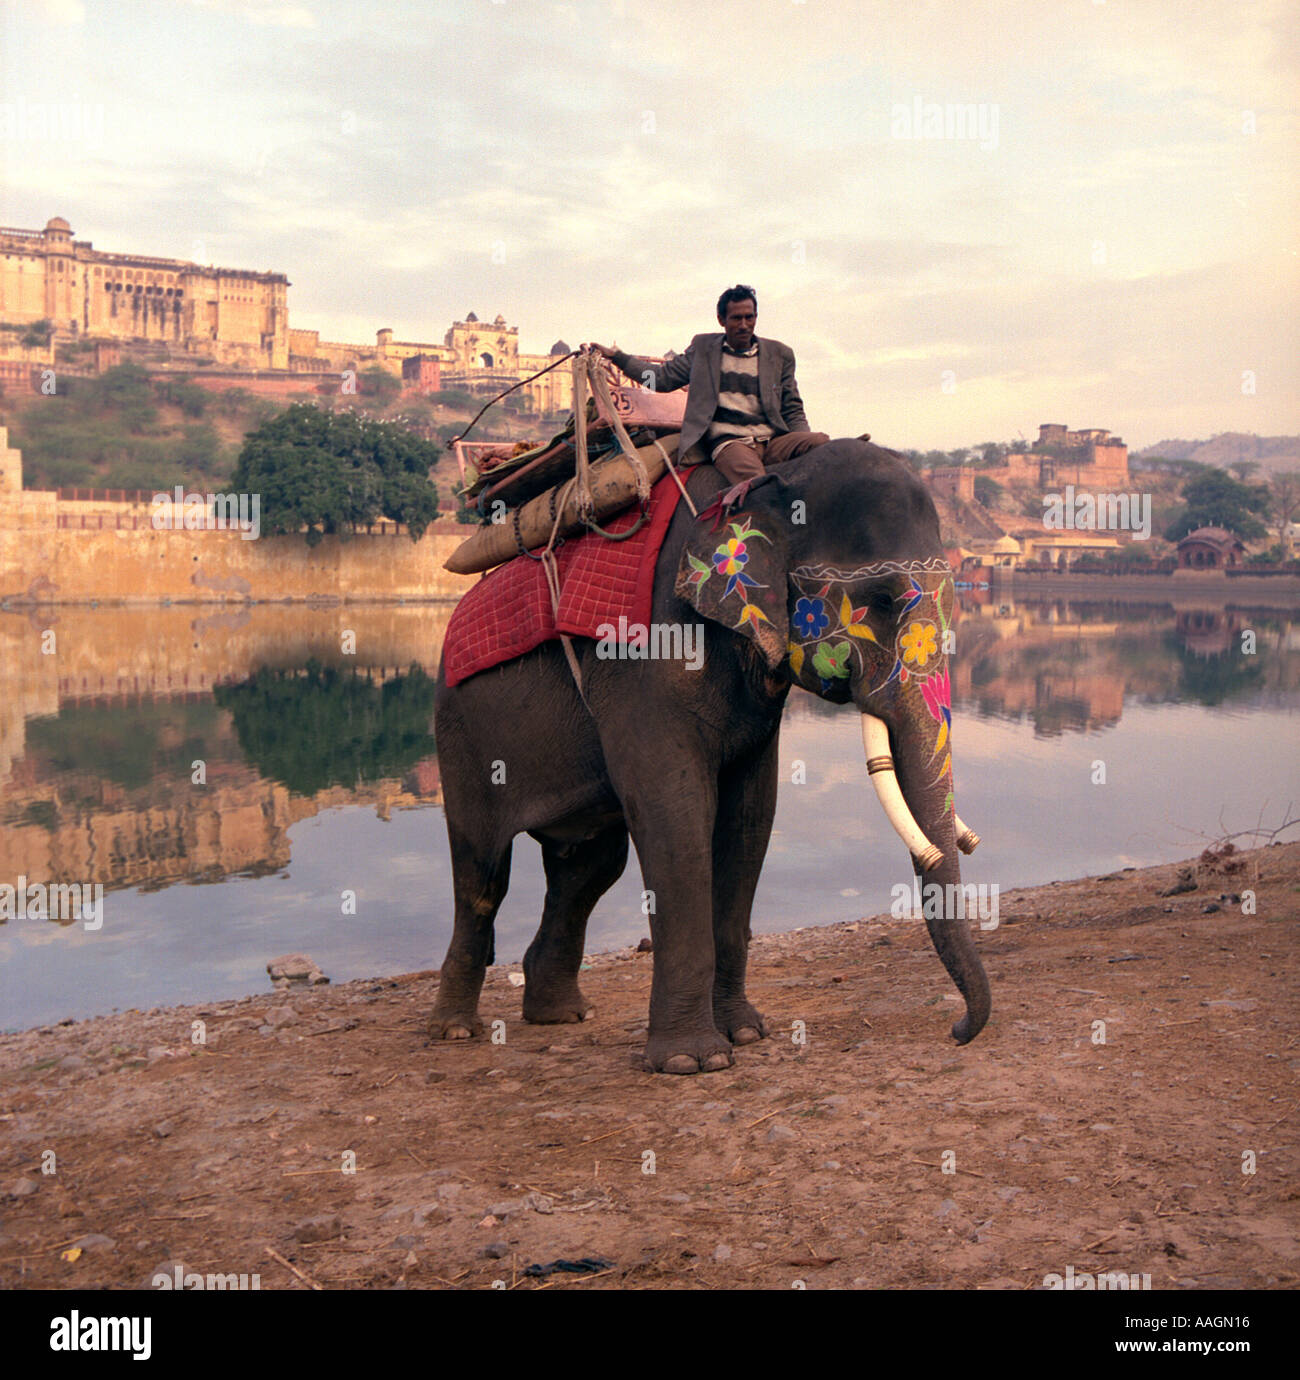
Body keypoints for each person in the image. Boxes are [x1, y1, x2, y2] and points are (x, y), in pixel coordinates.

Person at [587, 285, 829, 486]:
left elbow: (792, 409)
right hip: (731, 442)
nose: (744, 325)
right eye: (736, 318)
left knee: (822, 444)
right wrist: (618, 357)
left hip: (772, 440)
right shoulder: (703, 350)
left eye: (750, 317)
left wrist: (803, 441)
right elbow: (661, 378)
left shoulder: (780, 355)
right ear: (721, 320)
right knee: (758, 483)